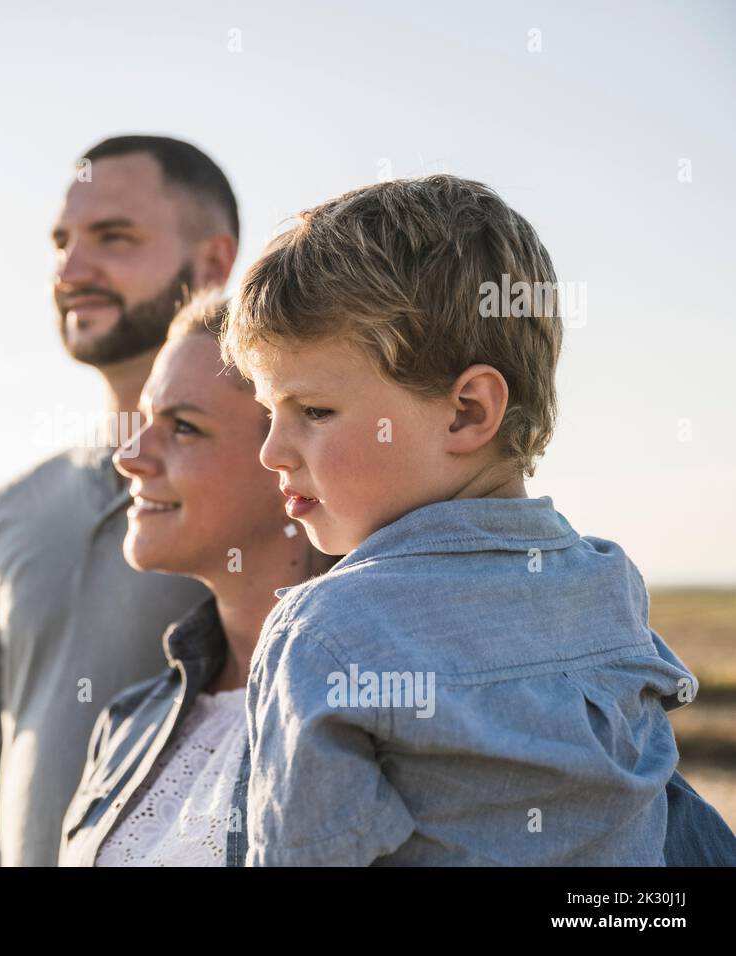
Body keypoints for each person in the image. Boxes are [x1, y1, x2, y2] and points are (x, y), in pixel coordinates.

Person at [220, 174, 719, 865]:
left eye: (314, 412)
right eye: (271, 413)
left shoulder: (324, 634)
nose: (272, 451)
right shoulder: (608, 585)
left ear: (468, 412)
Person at [0, 135, 239, 867]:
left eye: (114, 237)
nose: (72, 269)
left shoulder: (279, 491)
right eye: (62, 242)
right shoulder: (12, 511)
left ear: (214, 263)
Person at [59, 295, 337, 866]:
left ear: (289, 458)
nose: (130, 457)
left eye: (183, 427)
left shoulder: (373, 710)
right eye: (142, 423)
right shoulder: (129, 722)